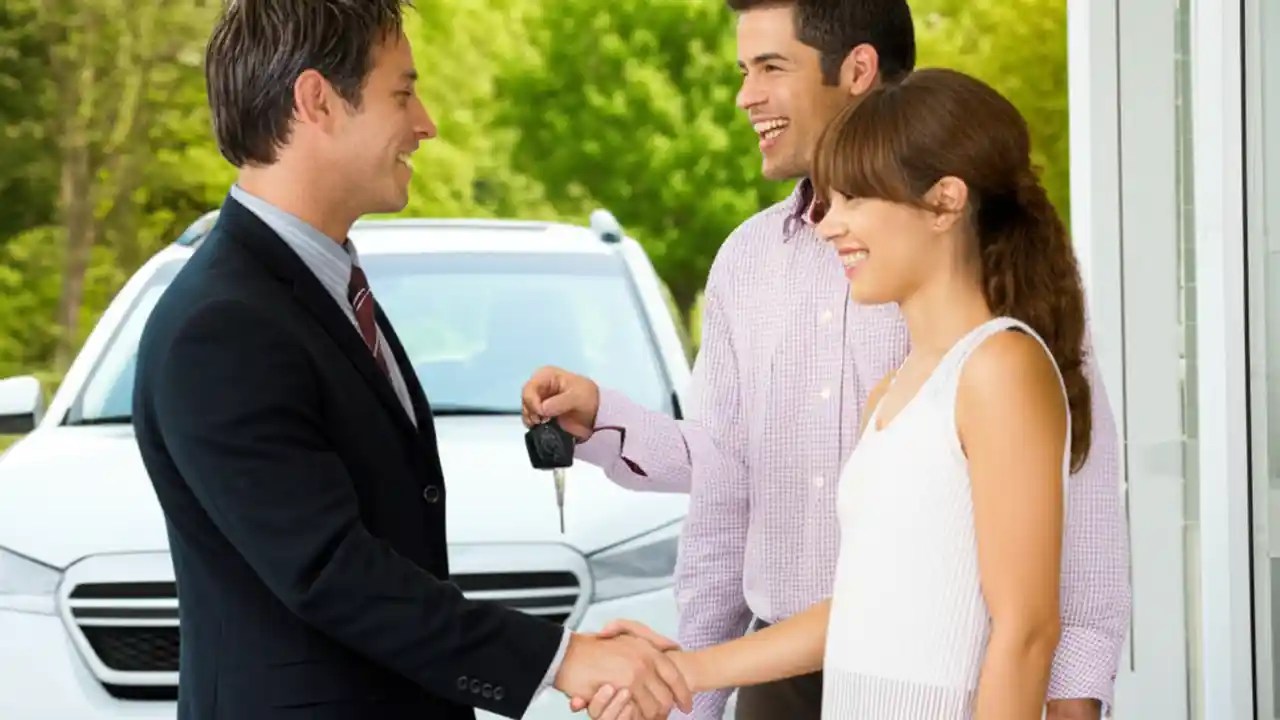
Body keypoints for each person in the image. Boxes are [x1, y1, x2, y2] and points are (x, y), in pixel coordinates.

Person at [522, 1, 1131, 718]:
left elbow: (1069, 517)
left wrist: (1074, 698)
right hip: (795, 667)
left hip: (967, 684)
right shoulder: (762, 276)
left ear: (858, 69)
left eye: (770, 67)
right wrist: (686, 677)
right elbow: (735, 486)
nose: (745, 94)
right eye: (743, 70)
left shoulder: (1001, 340)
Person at [131, 2, 691, 719]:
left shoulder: (316, 289)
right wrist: (564, 657)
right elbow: (332, 570)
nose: (425, 123)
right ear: (317, 101)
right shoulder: (224, 325)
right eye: (402, 93)